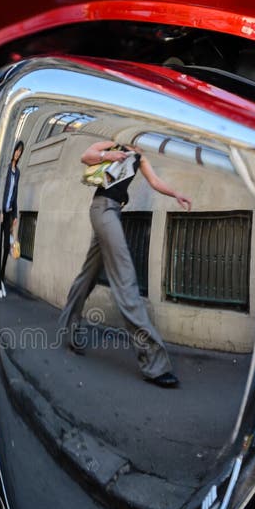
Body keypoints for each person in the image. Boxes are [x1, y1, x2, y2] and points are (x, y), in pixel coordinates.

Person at [58, 140, 191, 387]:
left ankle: (68, 329)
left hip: (113, 212)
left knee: (87, 277)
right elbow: (86, 156)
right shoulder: (116, 145)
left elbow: (155, 182)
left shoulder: (141, 158)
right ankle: (154, 363)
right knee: (125, 276)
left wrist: (175, 194)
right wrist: (110, 155)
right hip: (102, 209)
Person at [0, 140, 24, 297]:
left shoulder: (17, 172)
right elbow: (1, 188)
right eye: (17, 150)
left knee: (7, 247)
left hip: (9, 213)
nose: (18, 153)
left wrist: (15, 215)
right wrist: (0, 210)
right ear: (13, 150)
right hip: (1, 212)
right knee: (1, 245)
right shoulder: (6, 168)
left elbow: (15, 194)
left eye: (20, 152)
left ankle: (1, 280)